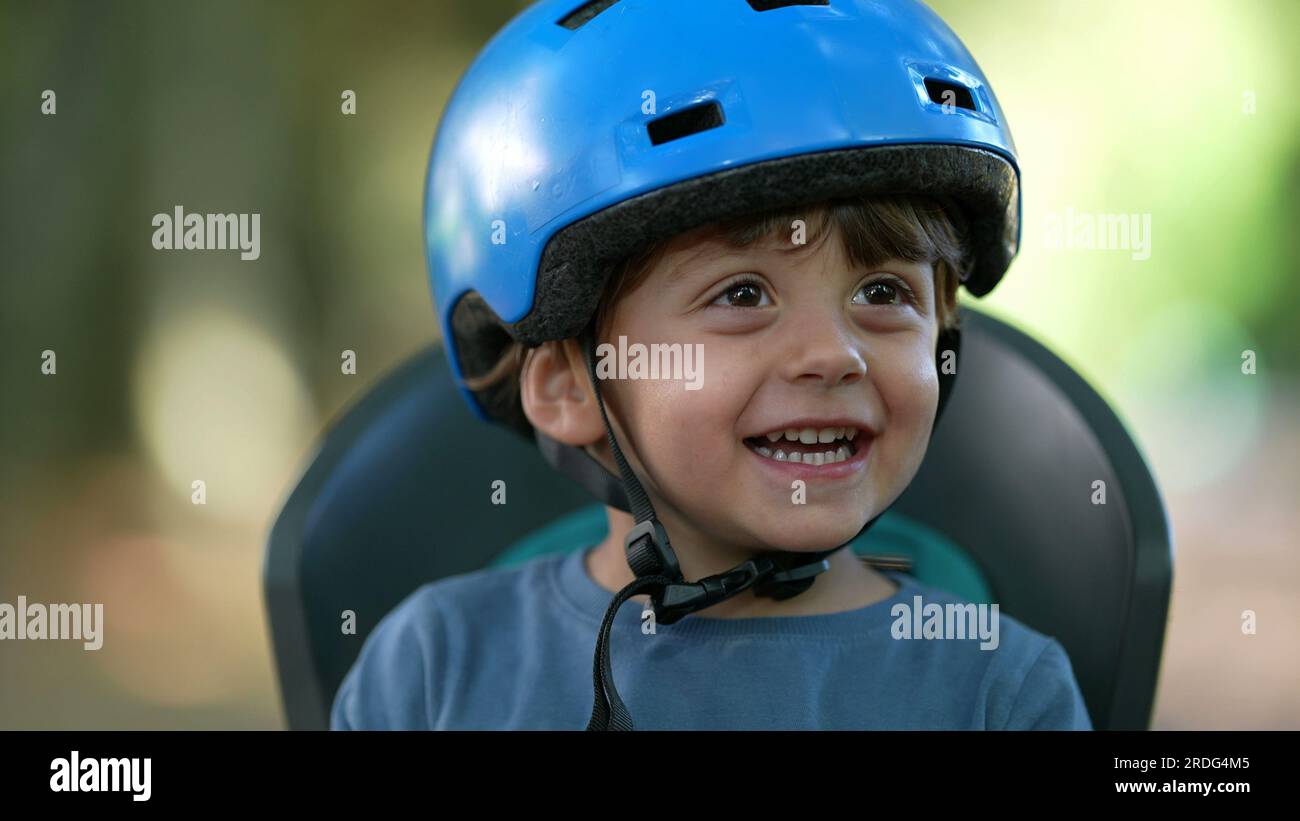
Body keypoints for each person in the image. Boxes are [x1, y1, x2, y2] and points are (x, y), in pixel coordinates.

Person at [331, 0, 1092, 730]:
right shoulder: (432, 670)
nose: (832, 353)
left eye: (883, 291)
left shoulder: (1001, 693)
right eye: (742, 293)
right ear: (569, 382)